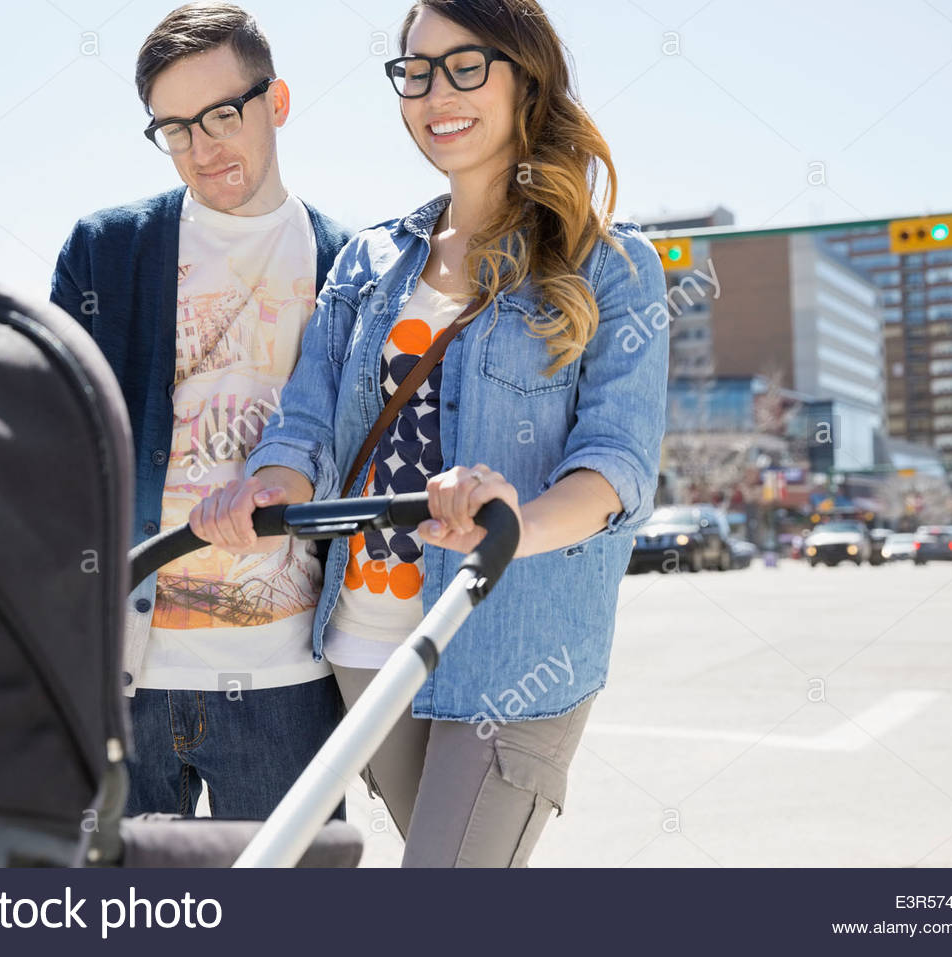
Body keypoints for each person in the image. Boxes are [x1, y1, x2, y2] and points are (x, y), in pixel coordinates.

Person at [190, 0, 669, 865]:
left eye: (465, 65)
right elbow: (304, 425)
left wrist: (510, 515)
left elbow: (616, 468)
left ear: (527, 76)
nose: (434, 92)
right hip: (364, 646)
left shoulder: (613, 265)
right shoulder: (370, 260)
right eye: (415, 71)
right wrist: (267, 489)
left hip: (508, 650)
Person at [50, 2, 352, 821]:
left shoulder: (347, 262)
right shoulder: (105, 251)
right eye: (174, 127)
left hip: (288, 679)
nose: (201, 146)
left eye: (221, 114)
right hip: (128, 676)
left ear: (277, 102)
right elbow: (57, 443)